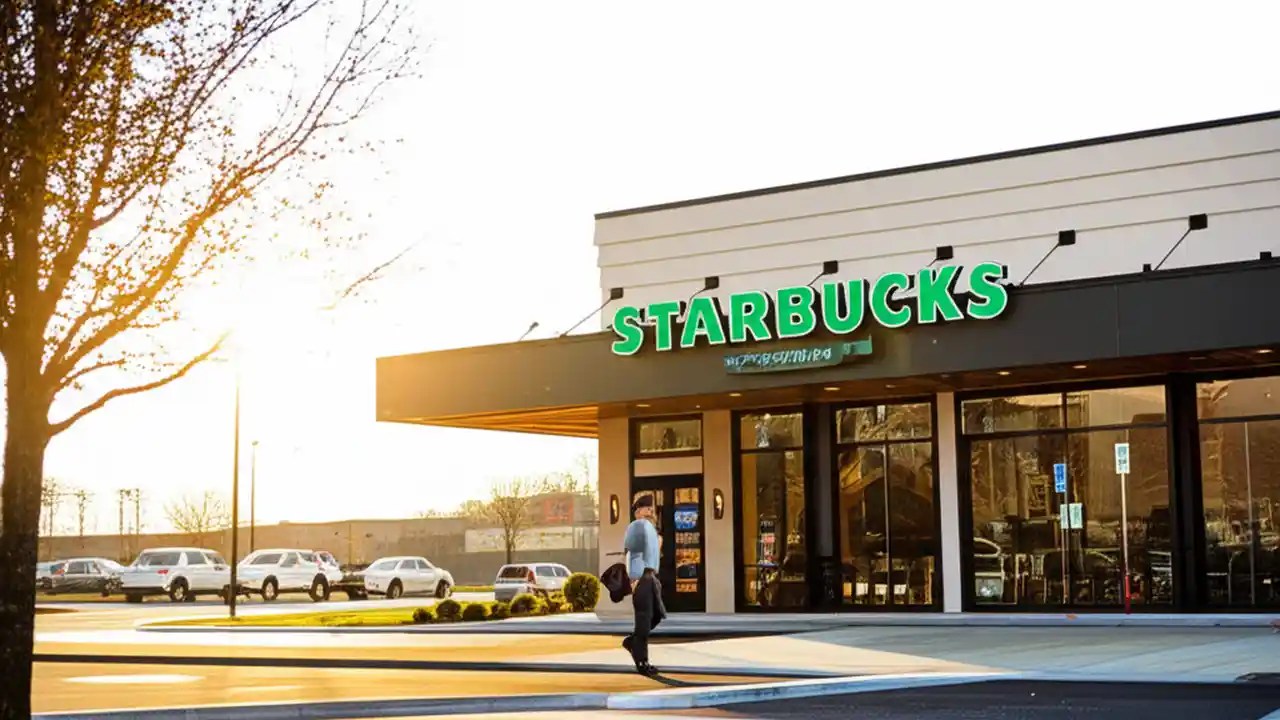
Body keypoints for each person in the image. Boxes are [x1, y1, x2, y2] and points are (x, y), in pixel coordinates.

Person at [621, 493, 664, 675]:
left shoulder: (649, 528)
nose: (650, 511)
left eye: (651, 508)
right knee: (643, 621)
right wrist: (634, 578)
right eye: (647, 508)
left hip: (651, 576)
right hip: (642, 577)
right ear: (638, 511)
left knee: (657, 615)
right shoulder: (637, 527)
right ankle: (642, 662)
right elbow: (632, 553)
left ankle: (632, 642)